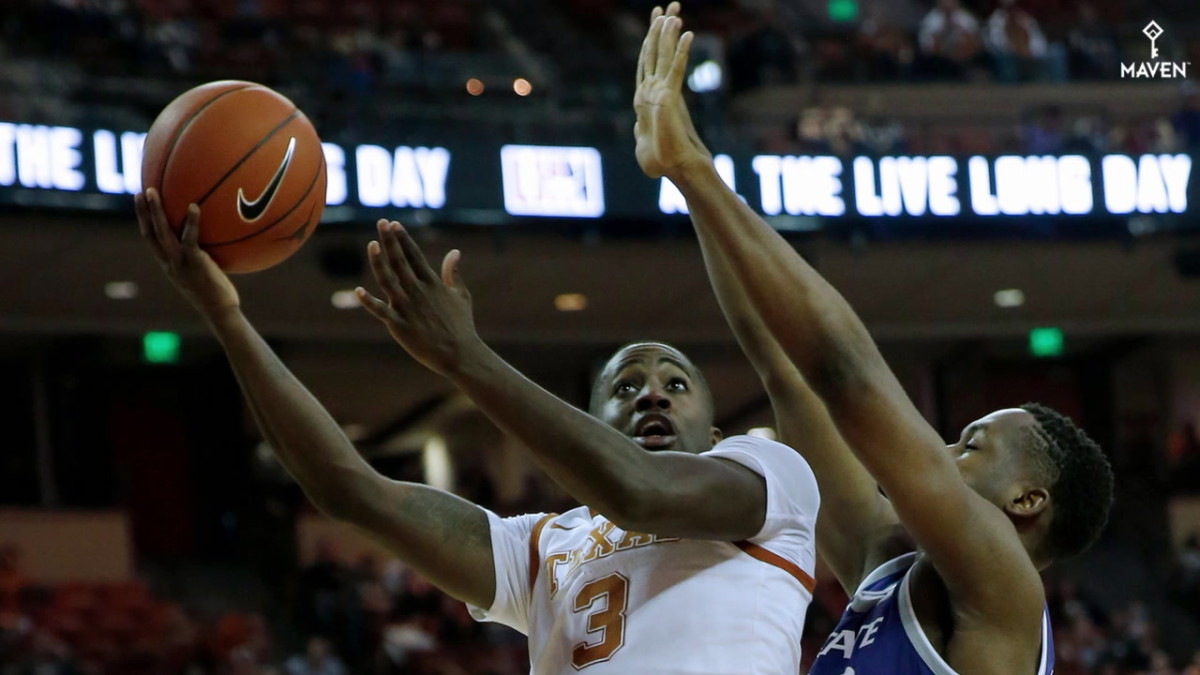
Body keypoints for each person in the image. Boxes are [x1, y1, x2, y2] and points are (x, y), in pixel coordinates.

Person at [134, 187, 819, 673]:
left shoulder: (770, 477)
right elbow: (349, 490)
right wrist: (226, 316)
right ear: (595, 420)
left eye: (675, 383)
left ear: (715, 425)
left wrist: (466, 357)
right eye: (624, 385)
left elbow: (638, 490)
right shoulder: (544, 547)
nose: (650, 395)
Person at [633, 6, 1113, 673]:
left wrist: (697, 171)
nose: (942, 451)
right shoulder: (885, 561)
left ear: (1025, 501)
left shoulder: (1004, 588)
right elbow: (786, 369)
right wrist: (688, 179)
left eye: (971, 445)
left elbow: (846, 374)